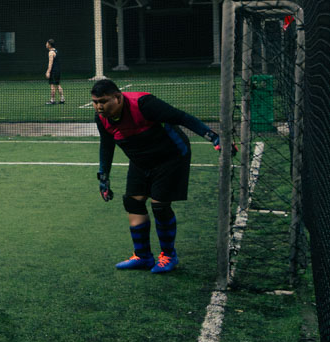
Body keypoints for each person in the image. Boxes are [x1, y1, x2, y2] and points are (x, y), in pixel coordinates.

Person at [92, 79, 229, 274]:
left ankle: (168, 256)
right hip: (141, 161)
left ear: (118, 97)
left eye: (103, 101)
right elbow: (107, 146)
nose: (99, 106)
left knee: (159, 204)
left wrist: (213, 137)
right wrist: (104, 178)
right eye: (95, 102)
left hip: (170, 156)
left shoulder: (144, 105)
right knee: (133, 202)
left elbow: (181, 117)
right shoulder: (101, 118)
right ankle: (143, 256)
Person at [45, 39, 65, 105]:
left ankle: (52, 100)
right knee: (58, 85)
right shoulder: (56, 51)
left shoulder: (51, 52)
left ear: (50, 45)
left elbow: (50, 63)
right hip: (58, 70)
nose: (46, 44)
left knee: (52, 86)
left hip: (53, 71)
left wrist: (48, 72)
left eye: (47, 43)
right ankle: (62, 99)